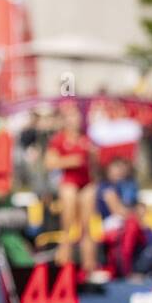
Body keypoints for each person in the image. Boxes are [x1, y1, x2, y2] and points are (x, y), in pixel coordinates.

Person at [45, 102, 100, 280]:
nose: (74, 120)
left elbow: (95, 166)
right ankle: (64, 267)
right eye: (70, 116)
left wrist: (94, 156)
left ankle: (89, 267)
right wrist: (70, 160)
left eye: (76, 116)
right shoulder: (59, 139)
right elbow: (50, 163)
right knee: (68, 226)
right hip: (69, 181)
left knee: (87, 227)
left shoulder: (86, 139)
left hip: (86, 182)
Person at [95, 159, 145, 279]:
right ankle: (125, 269)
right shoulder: (106, 187)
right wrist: (134, 213)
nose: (119, 172)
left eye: (121, 169)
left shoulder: (124, 185)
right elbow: (117, 210)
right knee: (131, 225)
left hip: (120, 222)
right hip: (109, 223)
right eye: (116, 168)